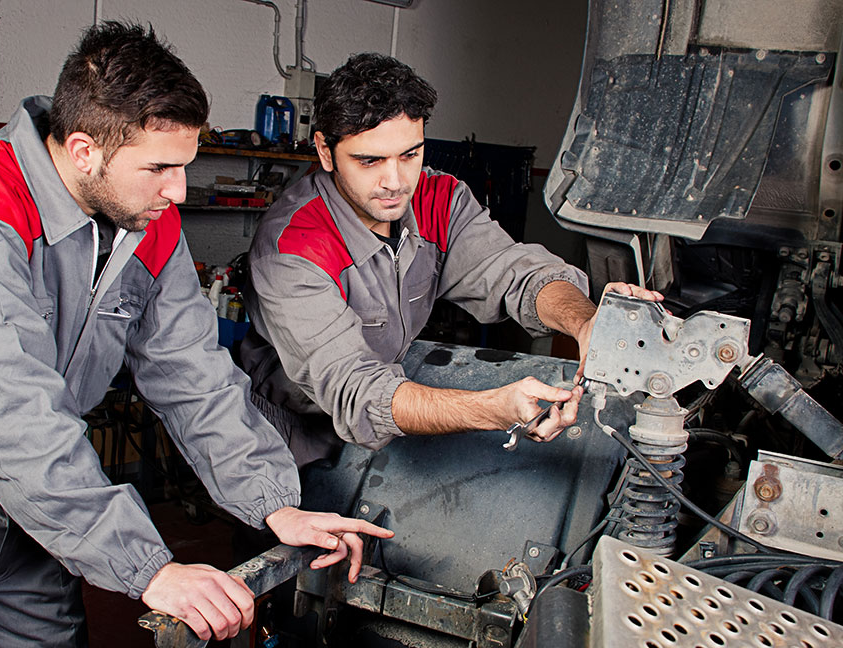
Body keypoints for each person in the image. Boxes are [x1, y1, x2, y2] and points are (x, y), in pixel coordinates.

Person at [0, 22, 390, 647]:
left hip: (49, 486)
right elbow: (11, 414)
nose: (176, 192)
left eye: (184, 166)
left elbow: (191, 372)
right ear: (85, 150)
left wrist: (273, 501)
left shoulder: (150, 220)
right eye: (159, 168)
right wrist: (150, 566)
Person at [240, 52, 662, 465]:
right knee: (290, 532)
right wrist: (490, 410)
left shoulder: (438, 199)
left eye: (409, 155)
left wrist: (586, 322)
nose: (395, 182)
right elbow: (357, 391)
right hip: (289, 434)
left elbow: (515, 273)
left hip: (387, 412)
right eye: (369, 161)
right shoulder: (293, 247)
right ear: (326, 151)